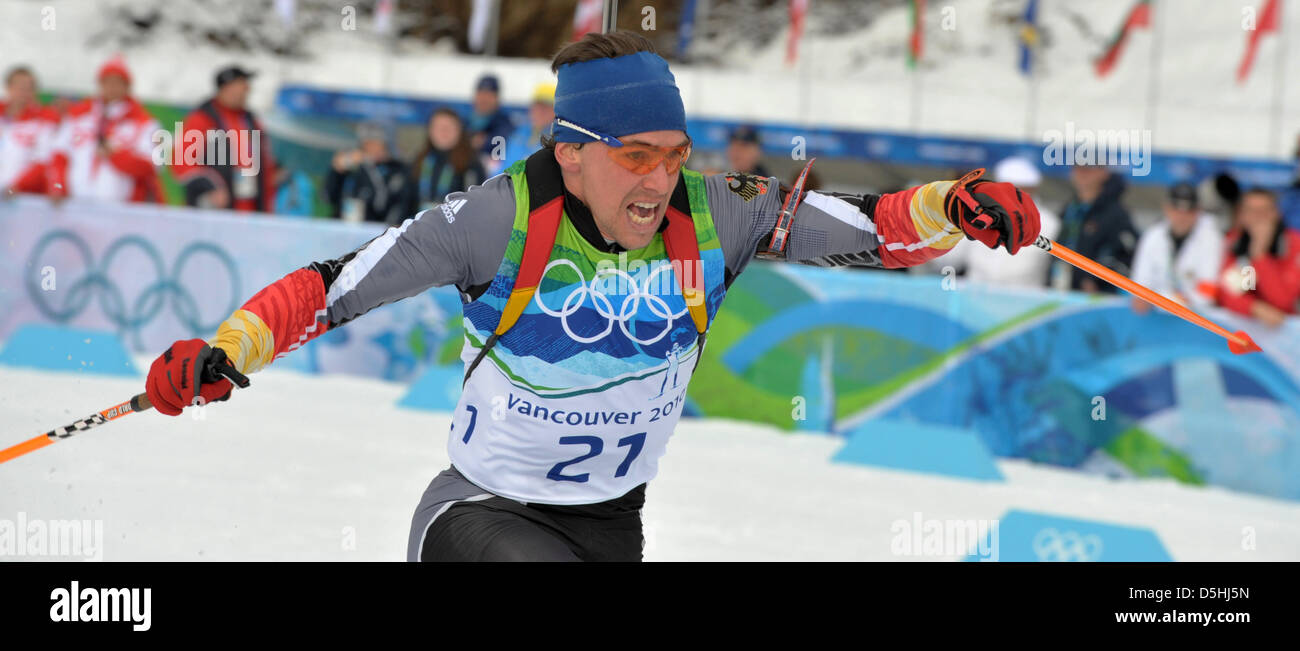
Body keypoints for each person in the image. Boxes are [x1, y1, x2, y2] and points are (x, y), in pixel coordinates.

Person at [142, 32, 1041, 562]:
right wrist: (229, 349)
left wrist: (958, 205)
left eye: (675, 151)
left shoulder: (716, 213)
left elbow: (876, 227)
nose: (659, 180)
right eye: (634, 155)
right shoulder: (492, 224)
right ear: (571, 151)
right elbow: (334, 286)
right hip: (479, 519)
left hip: (612, 529)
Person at [47, 58, 162, 203]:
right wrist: (58, 187)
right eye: (107, 82)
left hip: (121, 212)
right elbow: (59, 155)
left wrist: (115, 155)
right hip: (76, 206)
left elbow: (151, 167)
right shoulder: (78, 116)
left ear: (127, 86)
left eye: (117, 82)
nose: (112, 88)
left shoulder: (144, 123)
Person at [173, 66, 278, 212]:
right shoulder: (202, 119)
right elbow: (181, 162)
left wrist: (268, 208)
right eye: (242, 84)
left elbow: (266, 167)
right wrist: (210, 186)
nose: (247, 90)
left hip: (250, 210)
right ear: (227, 88)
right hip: (214, 210)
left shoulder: (251, 121)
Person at [946, 157, 1060, 288]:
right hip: (975, 299)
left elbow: (1058, 274)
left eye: (1022, 189)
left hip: (1024, 303)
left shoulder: (1050, 223)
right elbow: (950, 258)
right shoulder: (978, 213)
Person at [1129, 183, 1223, 314]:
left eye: (1189, 210)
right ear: (1166, 208)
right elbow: (1140, 283)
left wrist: (1184, 300)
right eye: (1176, 208)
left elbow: (1208, 291)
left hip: (1197, 316)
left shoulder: (1211, 238)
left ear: (1198, 211)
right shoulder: (1154, 235)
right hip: (1158, 315)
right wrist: (1149, 297)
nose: (1182, 216)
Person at [1213, 188, 1300, 327]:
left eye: (1264, 211)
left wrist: (1259, 255)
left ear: (1276, 213)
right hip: (1249, 330)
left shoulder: (1294, 244)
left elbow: (1283, 303)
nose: (1258, 217)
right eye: (1251, 211)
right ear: (1242, 215)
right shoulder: (1236, 242)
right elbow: (1229, 294)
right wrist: (1254, 307)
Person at [1049, 164, 1138, 293]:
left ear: (1104, 173)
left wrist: (1096, 280)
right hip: (1061, 289)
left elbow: (1128, 256)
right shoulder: (1069, 210)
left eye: (1089, 169)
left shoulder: (1116, 214)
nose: (1082, 174)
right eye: (1078, 168)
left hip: (1096, 298)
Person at [324, 120, 416, 224]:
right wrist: (337, 172)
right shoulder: (354, 166)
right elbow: (329, 196)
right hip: (346, 227)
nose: (372, 148)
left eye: (377, 143)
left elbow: (393, 205)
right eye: (367, 144)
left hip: (378, 230)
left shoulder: (399, 171)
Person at [0, 66, 59, 197]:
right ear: (8, 87)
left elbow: (43, 161)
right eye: (20, 87)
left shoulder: (43, 121)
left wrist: (17, 186)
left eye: (29, 88)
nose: (24, 92)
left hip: (20, 196)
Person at [412, 107, 487, 210]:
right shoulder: (420, 160)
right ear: (430, 130)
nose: (444, 132)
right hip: (419, 222)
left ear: (459, 131)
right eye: (438, 127)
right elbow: (406, 202)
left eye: (449, 127)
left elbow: (474, 207)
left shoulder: (471, 165)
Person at [466, 73, 515, 174]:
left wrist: (483, 142)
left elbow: (500, 145)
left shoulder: (505, 124)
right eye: (482, 94)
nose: (484, 99)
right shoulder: (465, 122)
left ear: (497, 98)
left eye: (489, 95)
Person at [502, 82, 556, 168]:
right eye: (537, 105)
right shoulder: (519, 134)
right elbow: (504, 167)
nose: (540, 112)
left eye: (546, 108)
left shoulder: (557, 141)